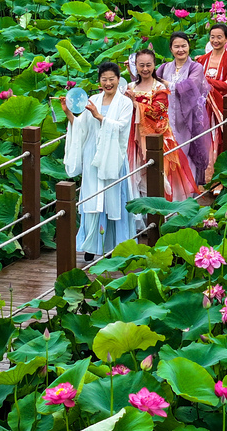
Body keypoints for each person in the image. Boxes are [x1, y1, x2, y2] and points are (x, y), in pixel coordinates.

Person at [62, 62, 140, 261]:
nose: (108, 83)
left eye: (111, 79)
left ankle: (116, 245)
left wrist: (99, 116)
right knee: (93, 198)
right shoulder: (93, 100)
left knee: (113, 198)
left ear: (118, 80)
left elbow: (122, 127)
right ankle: (91, 245)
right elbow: (81, 127)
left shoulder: (125, 103)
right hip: (92, 156)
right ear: (99, 81)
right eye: (104, 79)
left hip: (113, 157)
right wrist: (68, 113)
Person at [126, 48, 199, 201]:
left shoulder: (159, 88)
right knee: (135, 172)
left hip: (157, 136)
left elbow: (157, 111)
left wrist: (135, 104)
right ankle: (140, 211)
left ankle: (163, 208)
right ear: (136, 66)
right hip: (133, 138)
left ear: (154, 65)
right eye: (141, 65)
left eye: (148, 65)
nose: (145, 69)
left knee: (159, 172)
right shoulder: (130, 87)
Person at [155, 32, 211, 187]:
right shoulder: (164, 67)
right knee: (168, 154)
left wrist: (167, 84)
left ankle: (188, 189)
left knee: (187, 152)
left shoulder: (196, 67)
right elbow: (151, 82)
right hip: (166, 118)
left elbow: (190, 86)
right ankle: (170, 192)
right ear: (171, 49)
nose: (180, 50)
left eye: (183, 46)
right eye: (176, 47)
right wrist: (134, 71)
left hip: (188, 118)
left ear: (189, 47)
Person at [196, 24, 227, 178]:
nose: (215, 40)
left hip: (221, 107)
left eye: (219, 37)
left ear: (226, 38)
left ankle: (219, 176)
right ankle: (202, 177)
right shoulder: (201, 60)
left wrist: (206, 82)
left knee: (219, 141)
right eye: (212, 37)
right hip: (203, 108)